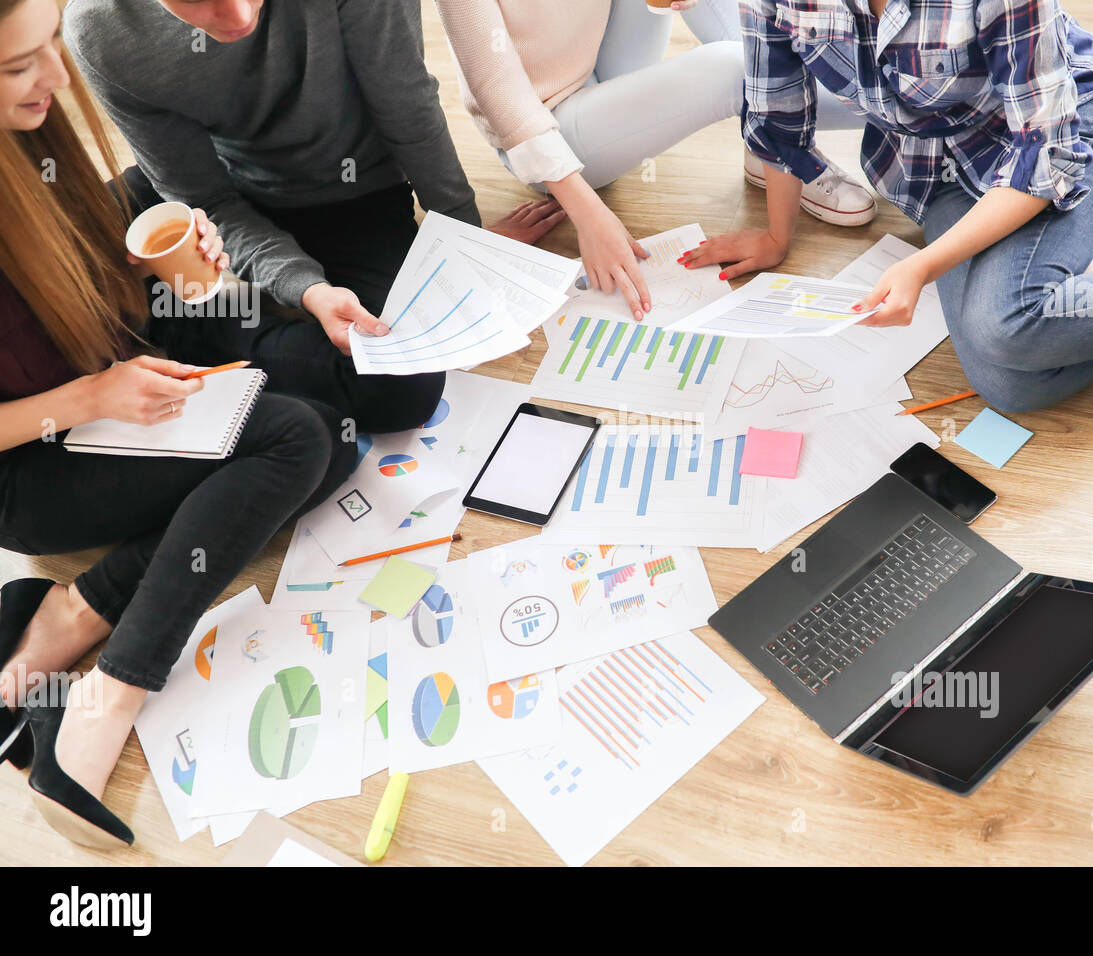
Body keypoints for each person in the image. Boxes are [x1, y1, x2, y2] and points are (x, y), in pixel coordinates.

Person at [0, 0, 359, 848]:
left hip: (94, 379)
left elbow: (97, 321)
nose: (56, 77)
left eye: (50, 46)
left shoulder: (34, 146)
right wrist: (93, 400)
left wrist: (192, 283)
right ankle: (110, 694)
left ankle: (76, 611)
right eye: (19, 67)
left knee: (328, 432)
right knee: (298, 440)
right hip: (34, 461)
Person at [681, 0, 1093, 426]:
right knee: (1012, 384)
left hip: (1068, 132)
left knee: (1006, 325)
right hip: (934, 164)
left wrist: (923, 265)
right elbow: (780, 116)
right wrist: (775, 235)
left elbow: (1045, 155)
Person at [64, 0, 566, 434]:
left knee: (403, 392)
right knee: (62, 254)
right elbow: (204, 197)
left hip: (353, 193)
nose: (238, 17)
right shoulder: (101, 29)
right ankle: (180, 324)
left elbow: (408, 108)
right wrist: (308, 288)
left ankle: (188, 329)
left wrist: (461, 237)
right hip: (219, 189)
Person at [434, 0, 877, 323]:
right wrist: (589, 215)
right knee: (736, 68)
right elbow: (498, 92)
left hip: (597, 62)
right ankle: (808, 128)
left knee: (758, 27)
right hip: (546, 128)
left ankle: (774, 137)